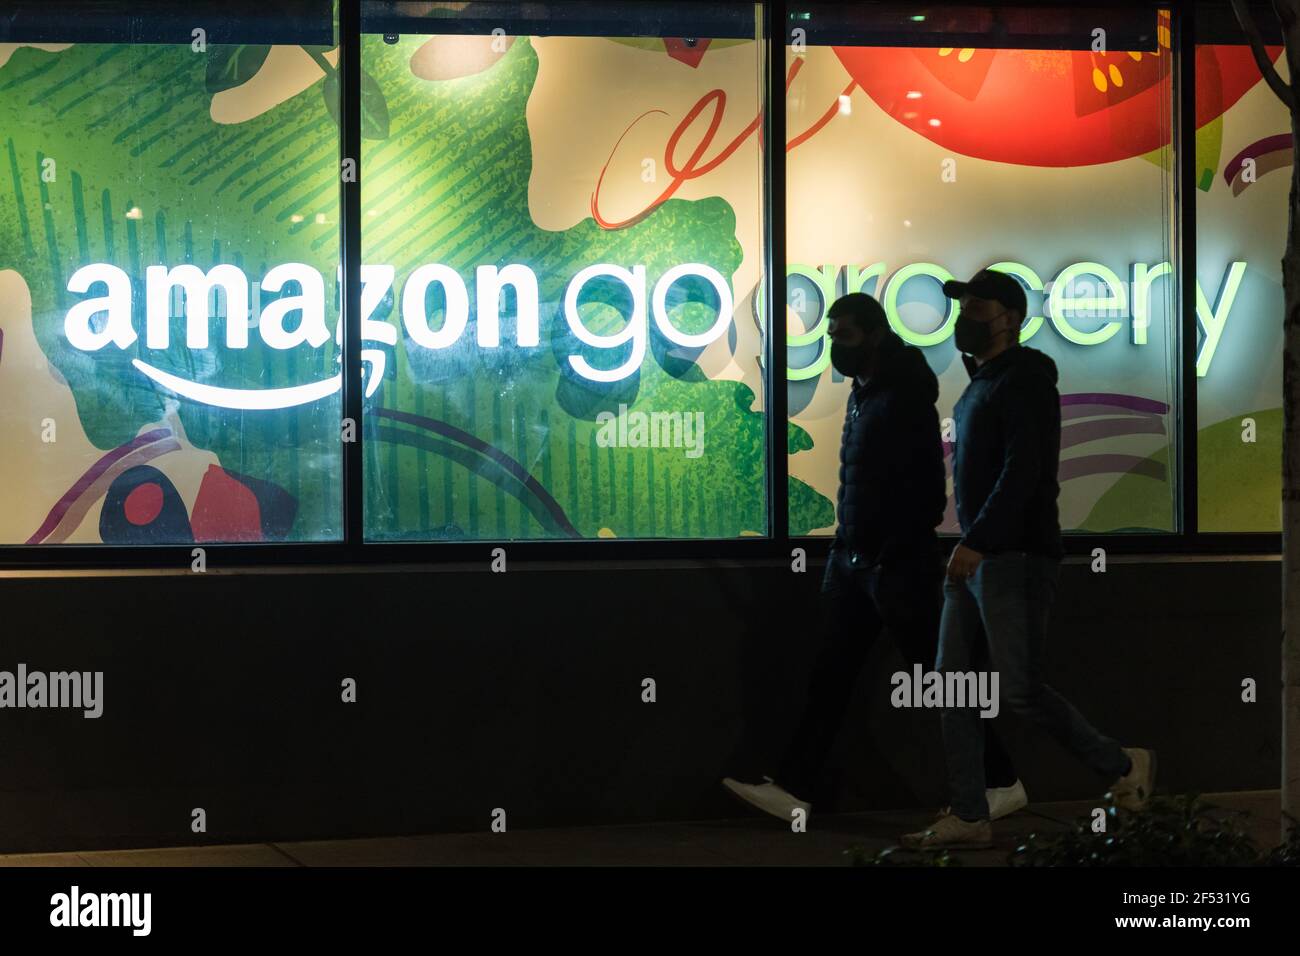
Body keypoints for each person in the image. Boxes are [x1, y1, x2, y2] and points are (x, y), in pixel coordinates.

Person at [723, 292, 1026, 824]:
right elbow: (860, 481)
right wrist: (847, 550)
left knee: (937, 678)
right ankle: (796, 787)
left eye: (845, 335)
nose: (834, 344)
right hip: (860, 561)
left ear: (875, 335)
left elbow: (927, 487)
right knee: (833, 675)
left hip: (893, 564)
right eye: (831, 334)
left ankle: (1001, 779)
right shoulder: (867, 390)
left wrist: (885, 550)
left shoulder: (902, 393)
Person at [902, 269, 1156, 850]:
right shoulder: (983, 382)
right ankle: (970, 815)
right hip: (977, 557)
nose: (966, 314)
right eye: (963, 305)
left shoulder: (1026, 380)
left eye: (977, 305)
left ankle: (1123, 765)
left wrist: (978, 540)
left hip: (1011, 556)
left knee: (1019, 689)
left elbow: (1025, 470)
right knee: (953, 685)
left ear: (1010, 317)